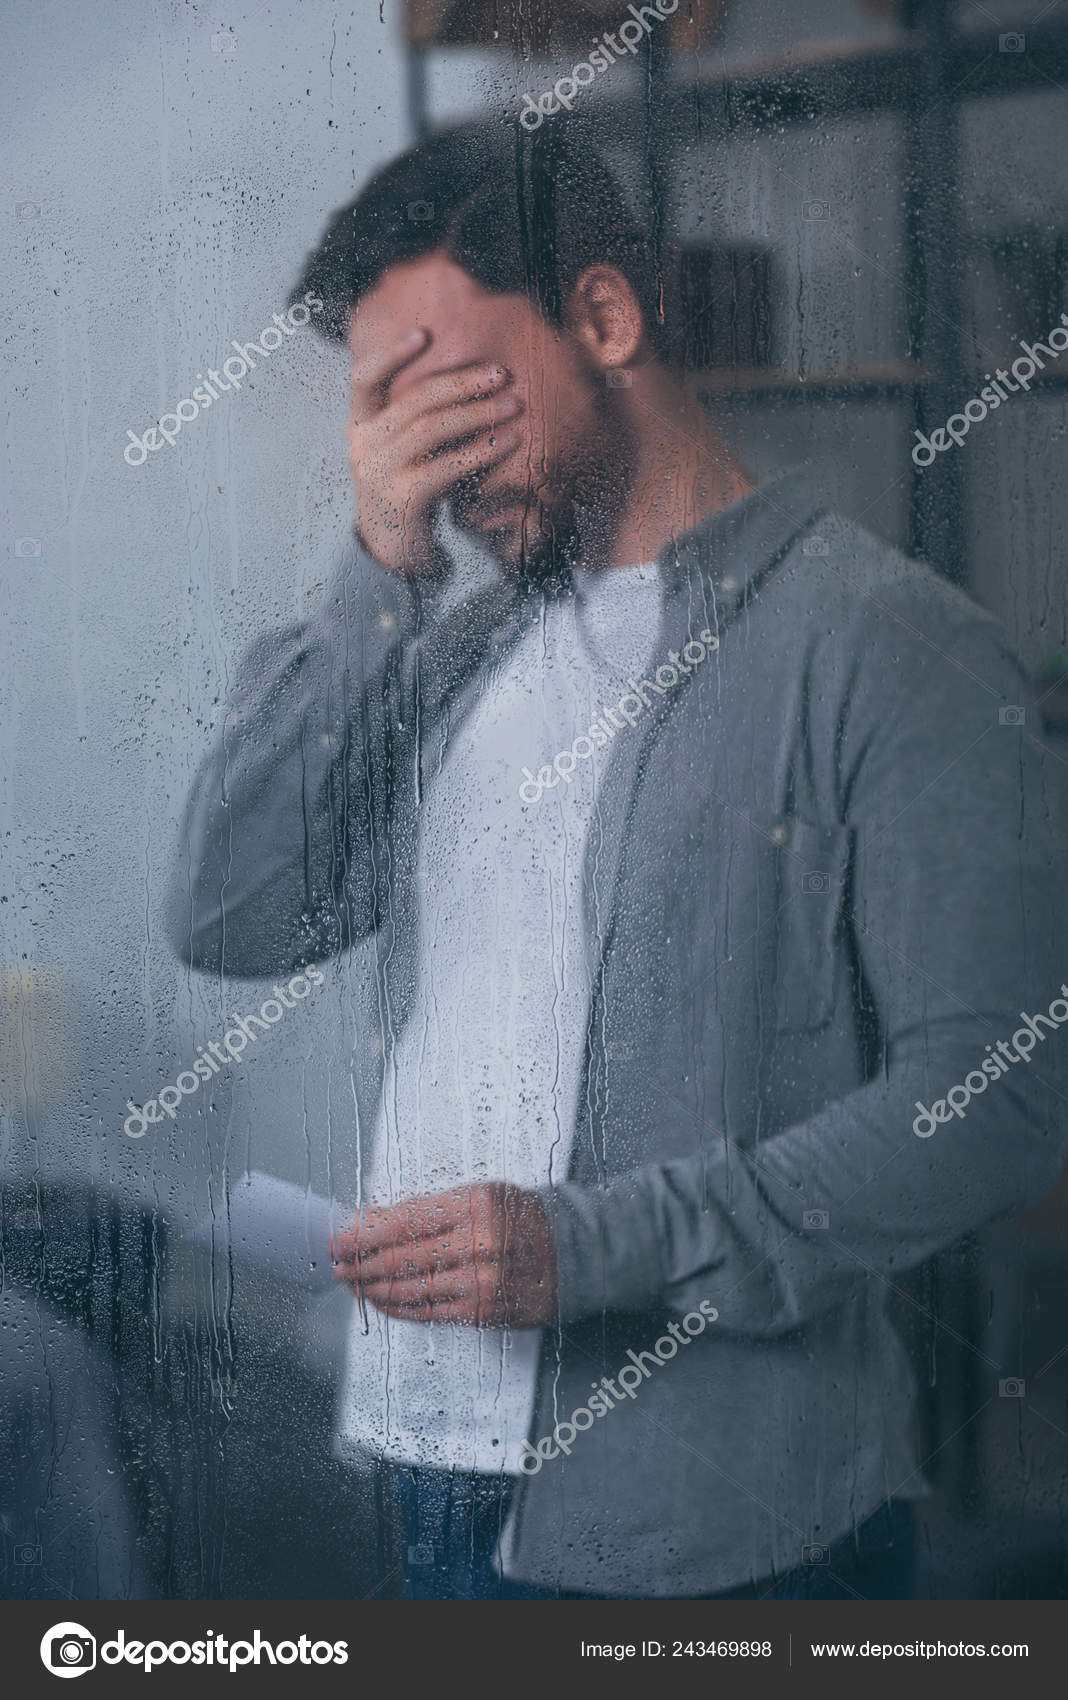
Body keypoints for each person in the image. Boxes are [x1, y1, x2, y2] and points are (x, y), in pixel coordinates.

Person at [170, 118, 1068, 1599]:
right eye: (382, 412)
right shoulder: (447, 650)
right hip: (423, 1472)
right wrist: (374, 571)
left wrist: (598, 1251)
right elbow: (230, 913)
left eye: (451, 388)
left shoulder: (889, 645)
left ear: (604, 315)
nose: (424, 459)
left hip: (718, 1534)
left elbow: (1002, 1105)